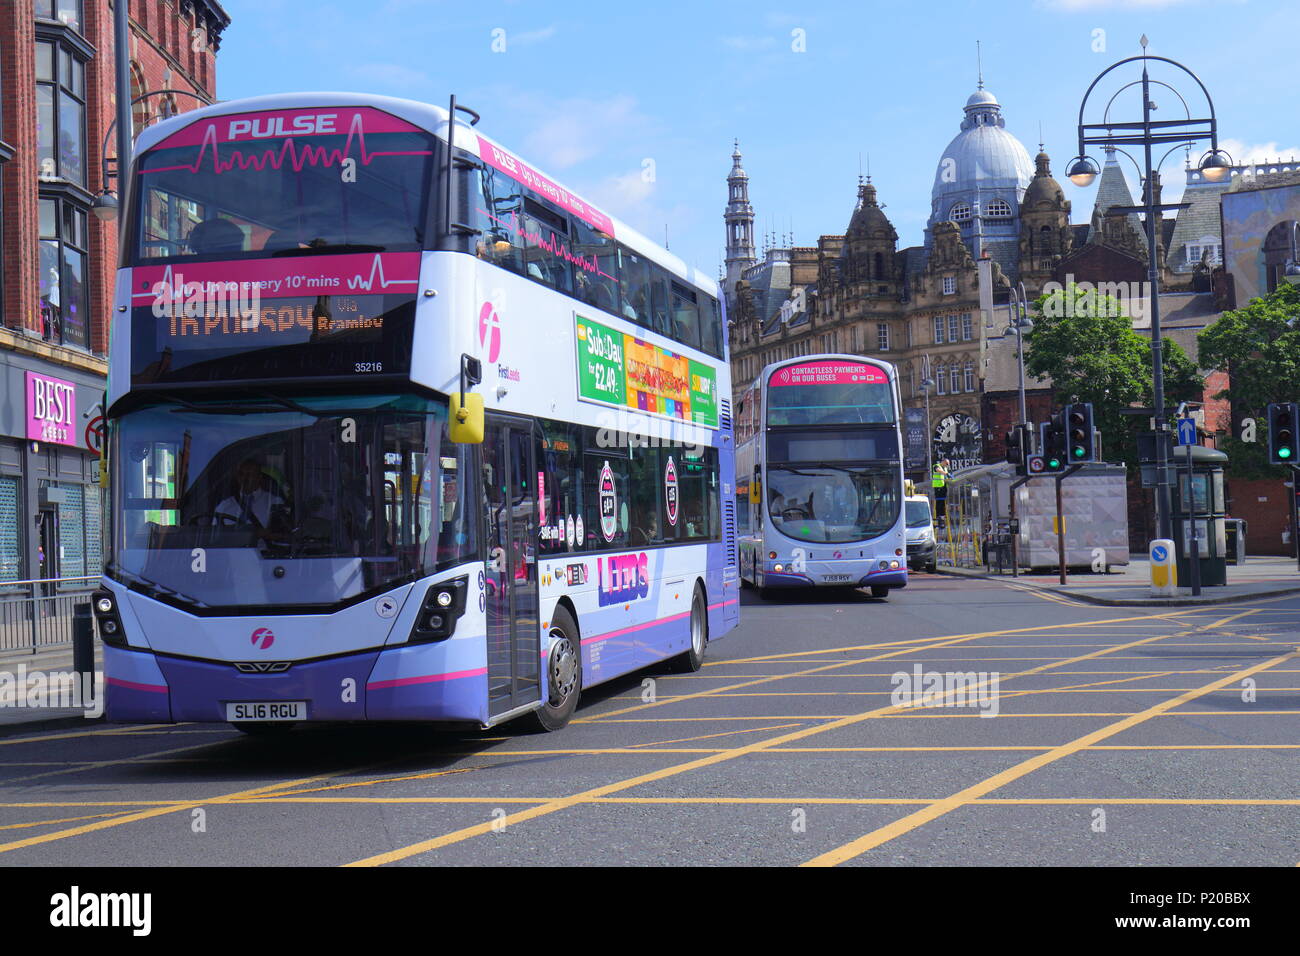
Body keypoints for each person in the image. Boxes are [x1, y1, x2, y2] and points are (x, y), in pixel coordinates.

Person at [215, 458, 284, 530]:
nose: (244, 478)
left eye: (249, 474)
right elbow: (212, 534)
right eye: (241, 474)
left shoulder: (274, 502)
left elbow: (279, 534)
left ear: (259, 477)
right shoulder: (224, 506)